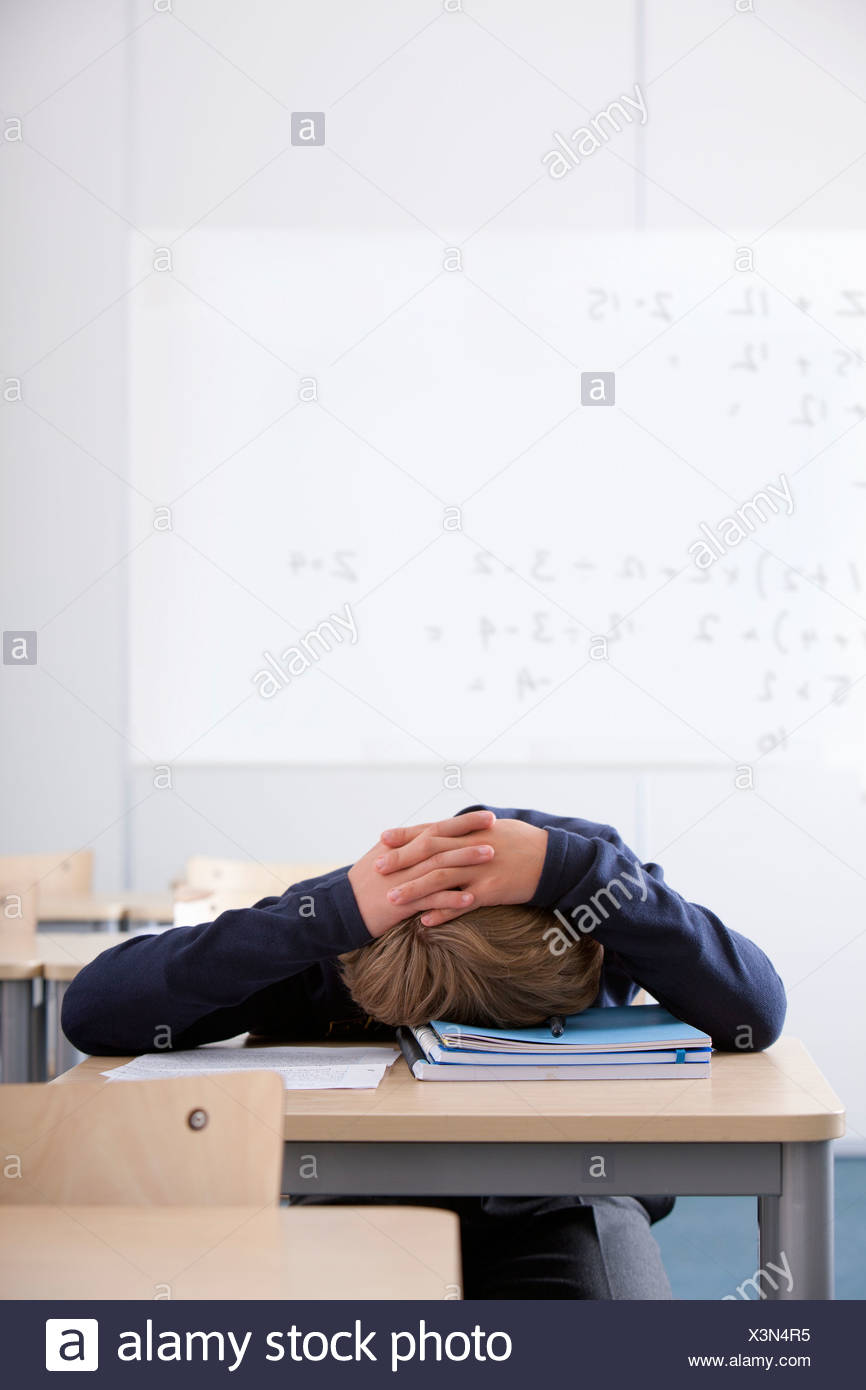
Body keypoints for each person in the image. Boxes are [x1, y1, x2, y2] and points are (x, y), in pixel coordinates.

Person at [62, 804, 787, 1300]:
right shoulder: (344, 932)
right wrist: (325, 917)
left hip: (568, 1195)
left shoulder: (596, 903)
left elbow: (756, 1011)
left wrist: (584, 873)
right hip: (367, 1185)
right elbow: (95, 1011)